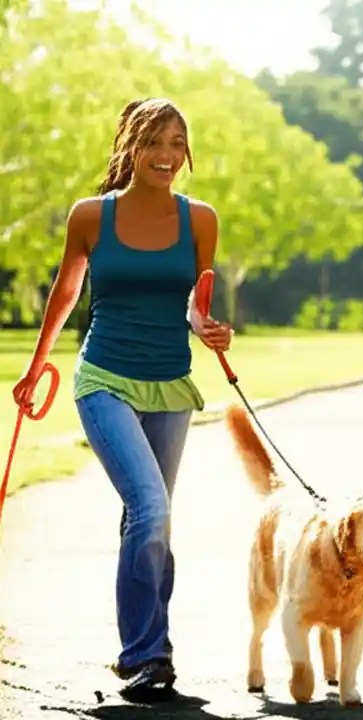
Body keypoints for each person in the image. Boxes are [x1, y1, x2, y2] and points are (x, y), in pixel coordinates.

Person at [10, 97, 232, 702]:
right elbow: (65, 293)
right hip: (103, 376)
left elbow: (197, 302)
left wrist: (209, 326)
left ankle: (147, 647)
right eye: (154, 142)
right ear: (130, 147)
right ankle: (146, 655)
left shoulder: (201, 219)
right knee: (151, 508)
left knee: (150, 517)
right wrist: (35, 369)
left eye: (177, 143)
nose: (166, 155)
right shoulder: (90, 216)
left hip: (170, 381)